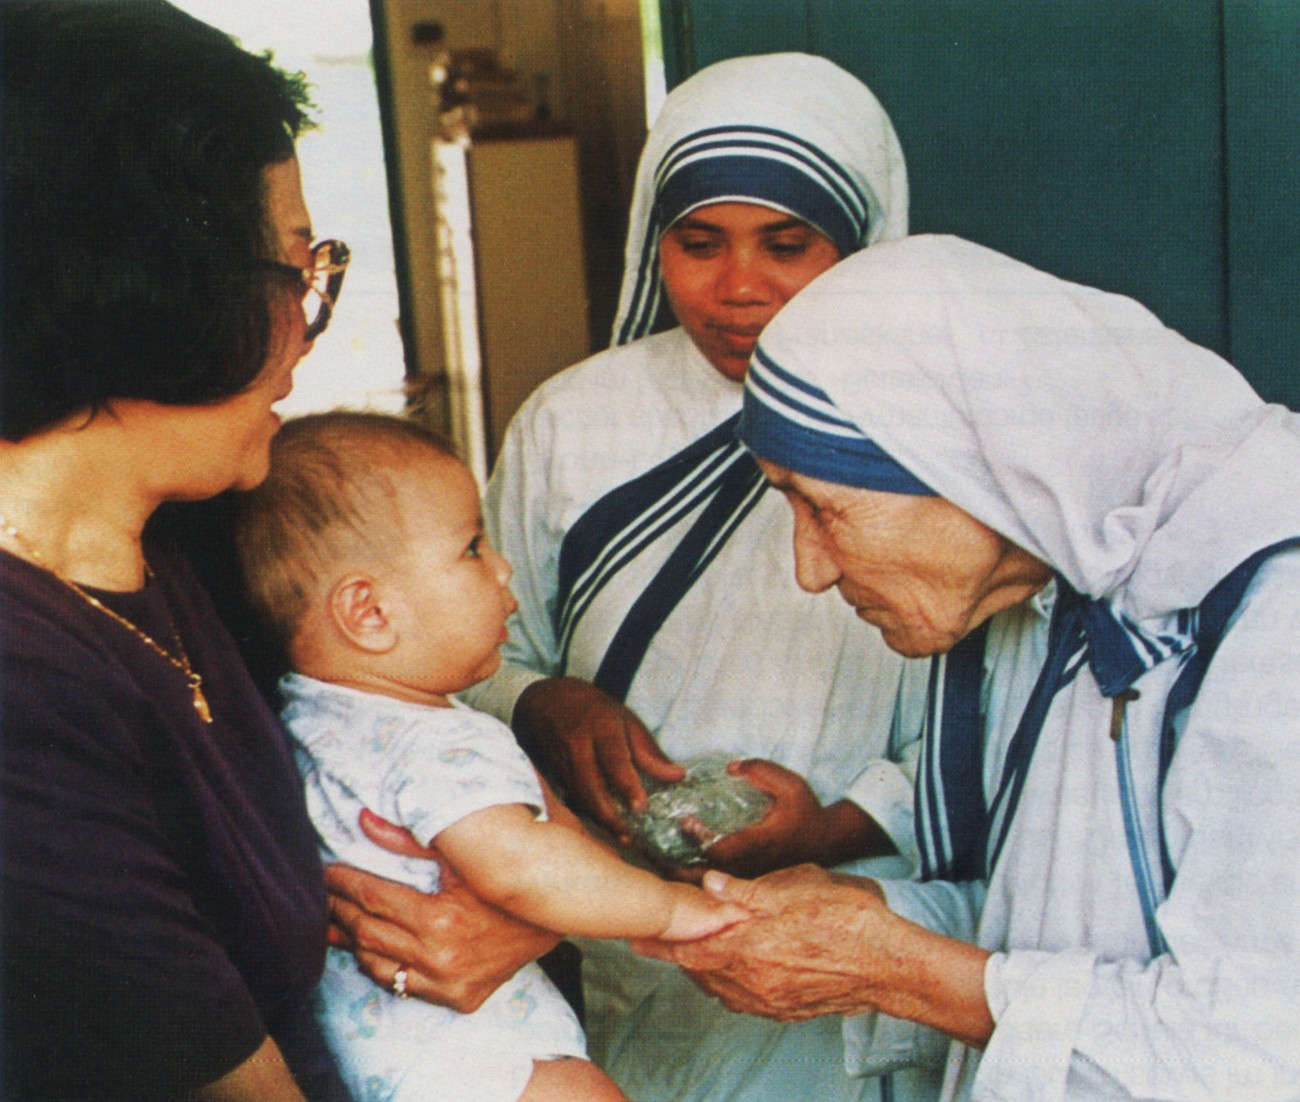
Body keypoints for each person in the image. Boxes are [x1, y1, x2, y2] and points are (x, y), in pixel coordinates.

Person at [636, 233, 1300, 1101]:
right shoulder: (1074, 584)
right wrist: (866, 924)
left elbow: (1258, 1049)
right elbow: (1066, 920)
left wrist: (903, 969)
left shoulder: (1272, 623)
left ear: (977, 467)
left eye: (825, 509)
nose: (810, 568)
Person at [450, 51, 934, 1102]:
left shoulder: (931, 430)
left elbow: (984, 721)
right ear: (651, 241)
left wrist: (830, 829)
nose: (738, 286)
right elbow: (467, 655)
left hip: (864, 929)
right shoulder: (573, 422)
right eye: (698, 241)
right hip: (634, 940)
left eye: (787, 242)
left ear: (858, 240)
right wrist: (543, 701)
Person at [0, 2, 355, 1098]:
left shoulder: (172, 548)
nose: (308, 322)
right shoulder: (20, 685)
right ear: (162, 288)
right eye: (297, 271)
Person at [234, 411, 747, 1102]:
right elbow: (517, 867)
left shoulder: (307, 719)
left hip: (385, 1060)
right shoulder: (434, 740)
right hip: (478, 1060)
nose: (502, 566)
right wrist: (675, 912)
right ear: (369, 613)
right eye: (473, 548)